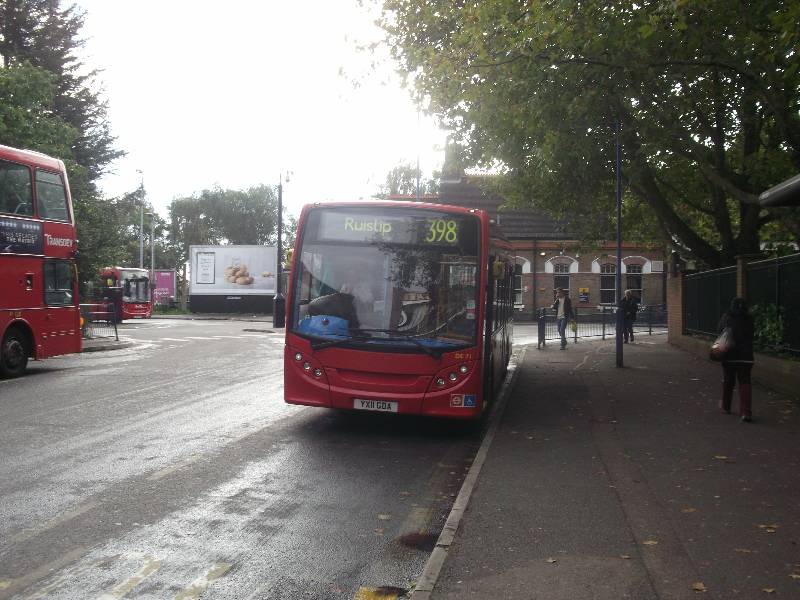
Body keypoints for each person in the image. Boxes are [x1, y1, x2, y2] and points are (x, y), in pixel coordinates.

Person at [717, 297, 755, 422]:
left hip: (729, 355)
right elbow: (751, 335)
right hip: (746, 356)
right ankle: (745, 412)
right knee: (745, 381)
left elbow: (719, 331)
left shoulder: (726, 317)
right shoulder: (749, 319)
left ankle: (726, 407)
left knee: (728, 380)